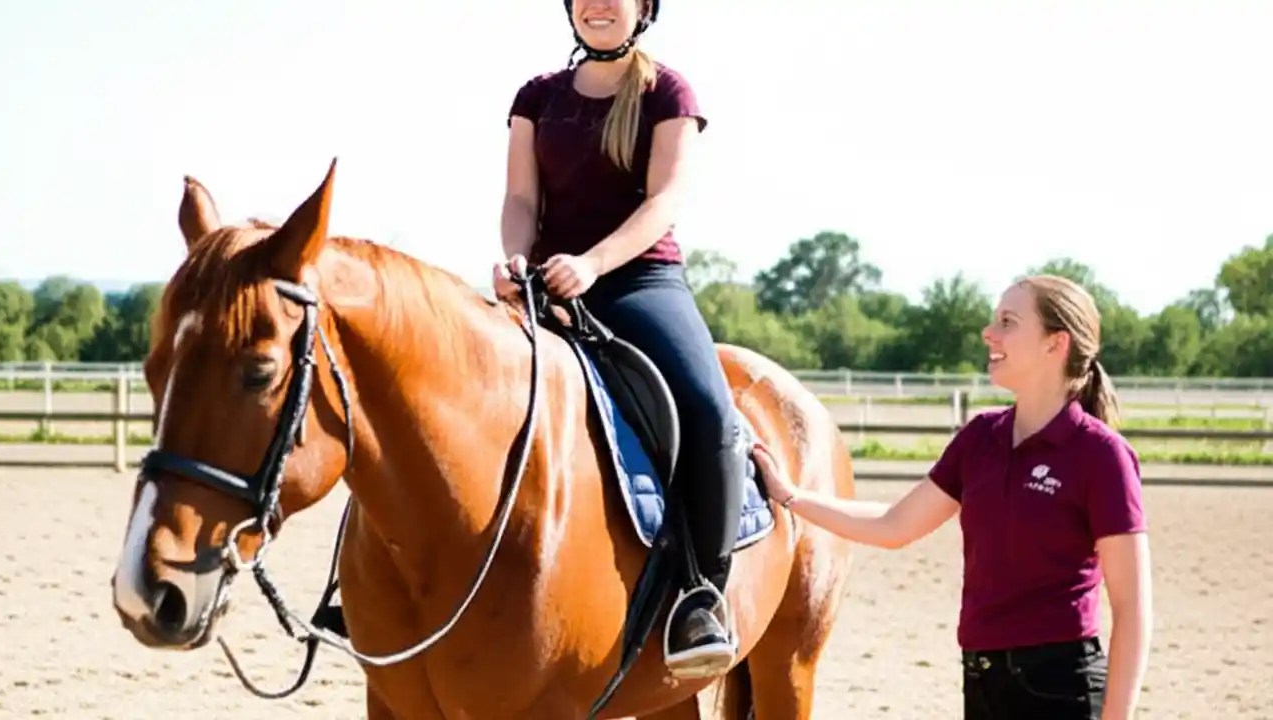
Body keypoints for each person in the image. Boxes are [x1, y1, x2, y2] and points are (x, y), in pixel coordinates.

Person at [754, 275, 1153, 719]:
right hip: (981, 681)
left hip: (1062, 688)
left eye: (1008, 321)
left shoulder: (1101, 455)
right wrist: (791, 497)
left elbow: (1132, 607)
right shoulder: (981, 438)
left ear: (1055, 344)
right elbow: (894, 525)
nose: (989, 332)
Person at [490, 0, 746, 678]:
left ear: (645, 8)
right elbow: (521, 200)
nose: (598, 5)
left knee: (710, 412)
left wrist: (594, 264)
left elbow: (663, 199)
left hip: (638, 282)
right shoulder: (536, 97)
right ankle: (356, 582)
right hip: (544, 280)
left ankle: (701, 593)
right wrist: (517, 260)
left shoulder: (669, 91)